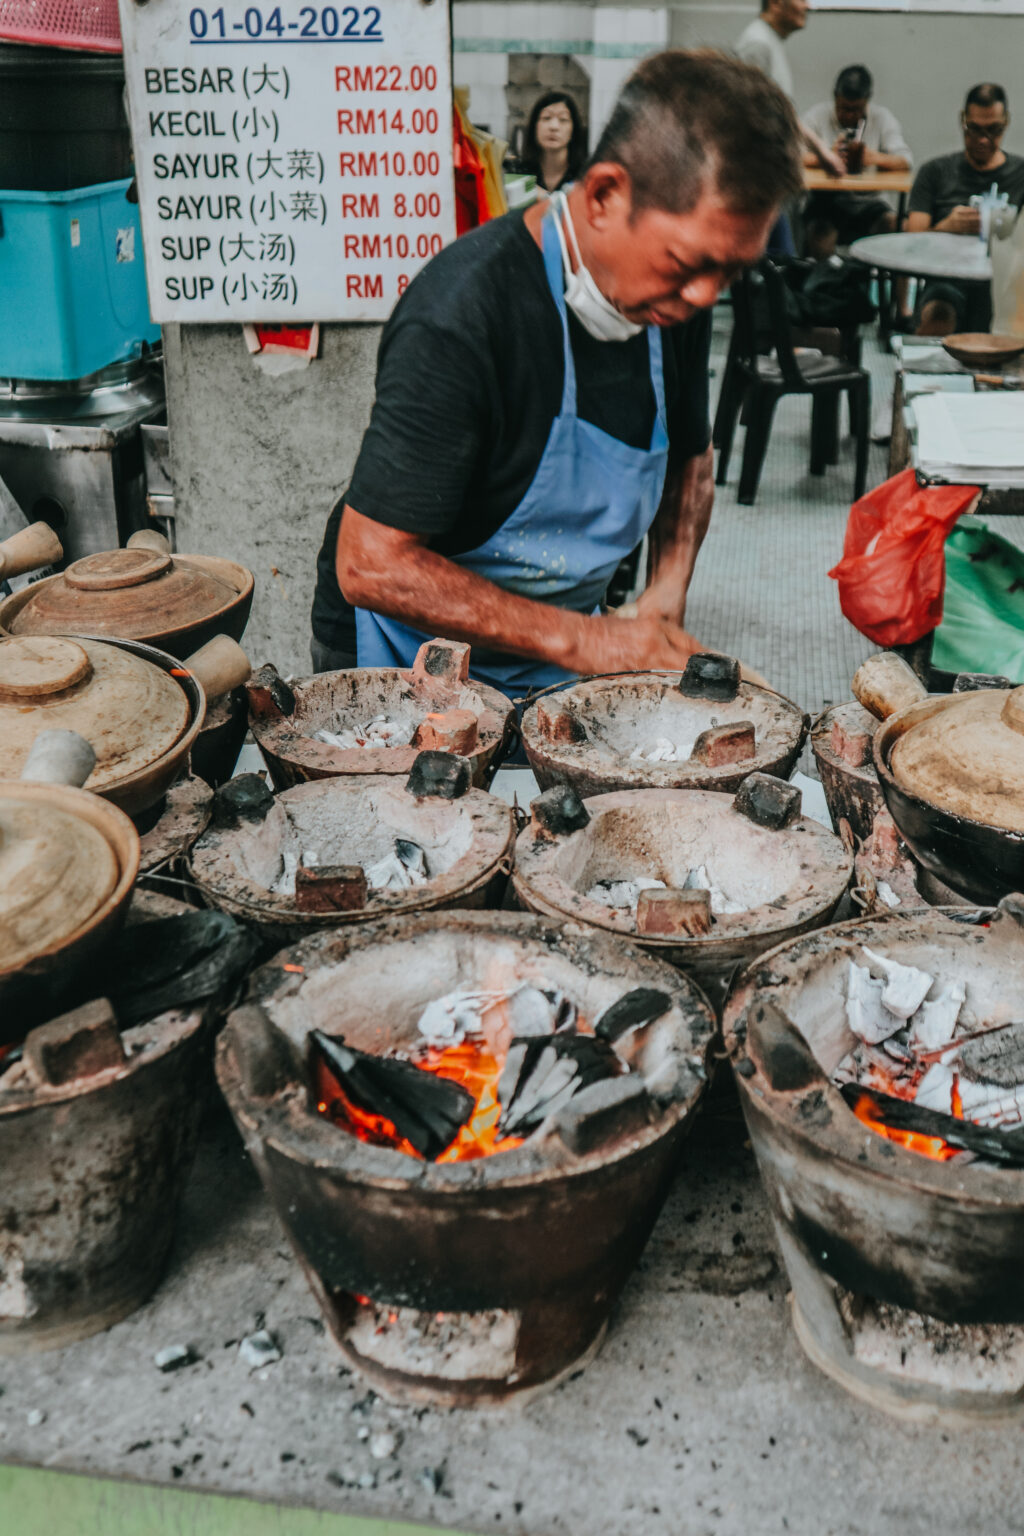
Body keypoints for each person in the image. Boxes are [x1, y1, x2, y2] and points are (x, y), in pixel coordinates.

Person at [310, 50, 803, 689]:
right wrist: (590, 640)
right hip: (405, 650)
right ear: (604, 195)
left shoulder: (676, 299)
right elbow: (371, 564)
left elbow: (691, 462)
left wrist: (664, 593)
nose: (705, 295)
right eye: (688, 264)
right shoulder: (462, 315)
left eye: (730, 271)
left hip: (559, 643)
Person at [907, 83, 1024, 333]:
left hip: (1007, 282)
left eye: (993, 130)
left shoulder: (1021, 174)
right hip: (947, 279)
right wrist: (945, 228)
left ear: (1006, 122)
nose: (983, 139)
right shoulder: (935, 172)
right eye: (974, 129)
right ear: (963, 121)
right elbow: (911, 240)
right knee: (939, 314)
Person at [736, 0, 843, 255]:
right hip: (759, 184)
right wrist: (819, 151)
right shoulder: (757, 44)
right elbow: (753, 117)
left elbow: (781, 112)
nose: (807, 6)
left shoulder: (769, 42)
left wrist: (819, 150)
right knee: (778, 262)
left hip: (770, 182)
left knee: (782, 262)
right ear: (775, 3)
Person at [801, 65, 912, 256]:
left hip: (868, 202)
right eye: (844, 108)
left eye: (856, 110)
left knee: (895, 226)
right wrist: (826, 156)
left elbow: (905, 161)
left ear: (867, 100)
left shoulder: (881, 119)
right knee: (819, 233)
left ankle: (879, 273)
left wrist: (874, 158)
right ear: (835, 97)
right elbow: (793, 154)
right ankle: (823, 272)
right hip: (826, 201)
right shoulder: (817, 117)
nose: (849, 115)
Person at [519, 90, 587, 195]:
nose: (554, 126)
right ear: (534, 127)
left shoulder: (585, 176)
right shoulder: (519, 173)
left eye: (563, 119)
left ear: (574, 130)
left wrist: (544, 197)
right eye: (546, 118)